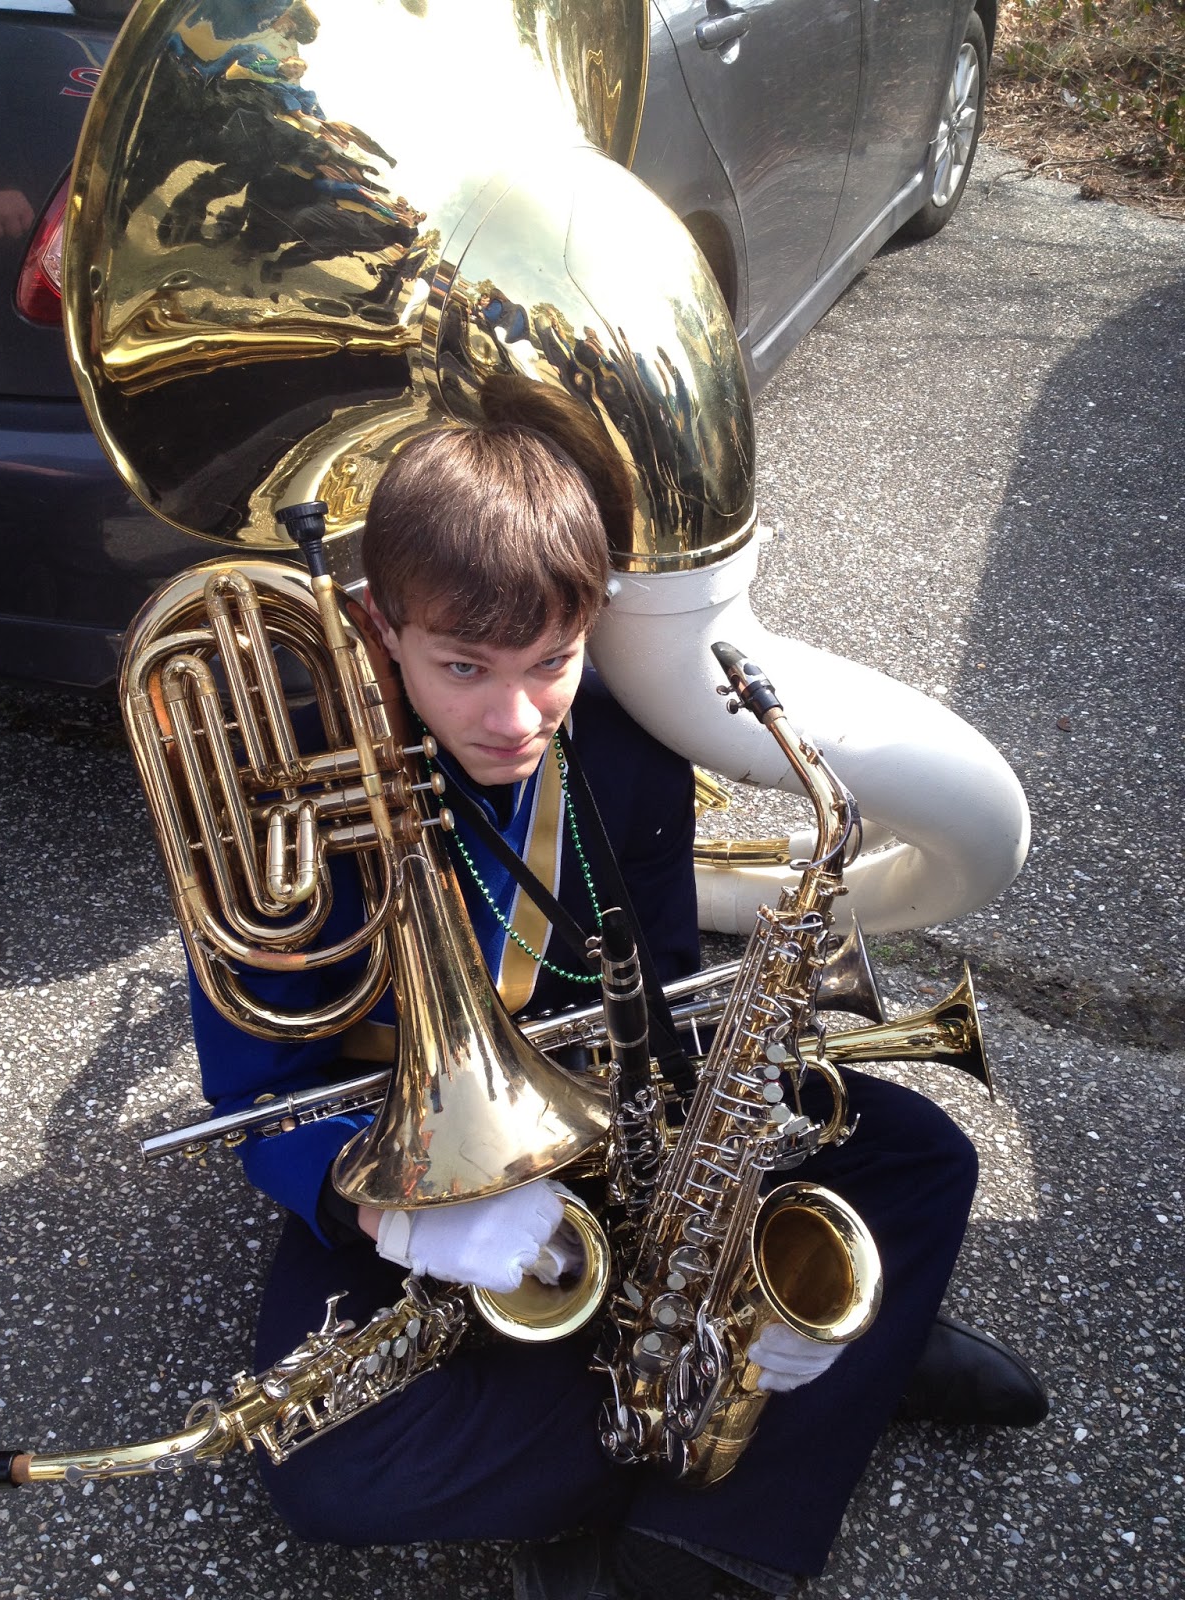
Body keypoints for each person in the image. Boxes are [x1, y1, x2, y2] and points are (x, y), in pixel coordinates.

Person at [189, 406, 1047, 1600]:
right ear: (381, 628)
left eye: (552, 660)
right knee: (325, 1471)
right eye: (462, 668)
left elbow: (669, 997)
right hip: (420, 1163)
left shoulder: (624, 750)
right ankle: (786, 1407)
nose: (515, 716)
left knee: (928, 1159)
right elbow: (252, 1102)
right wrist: (399, 1222)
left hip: (613, 1112)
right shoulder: (283, 815)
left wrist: (726, 1189)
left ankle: (705, 1425)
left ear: (589, 625)